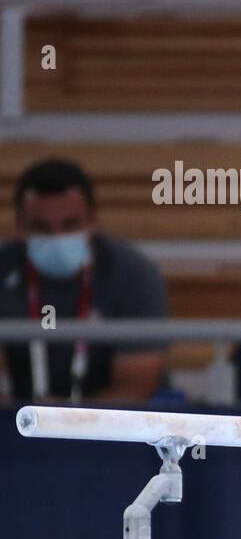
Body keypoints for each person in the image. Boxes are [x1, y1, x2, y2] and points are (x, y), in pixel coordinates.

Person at [0, 158, 169, 405]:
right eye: (41, 227)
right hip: (17, 423)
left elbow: (136, 382)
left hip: (109, 428)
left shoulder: (132, 273)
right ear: (19, 227)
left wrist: (71, 422)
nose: (56, 237)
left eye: (70, 225)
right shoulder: (5, 269)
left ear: (92, 222)